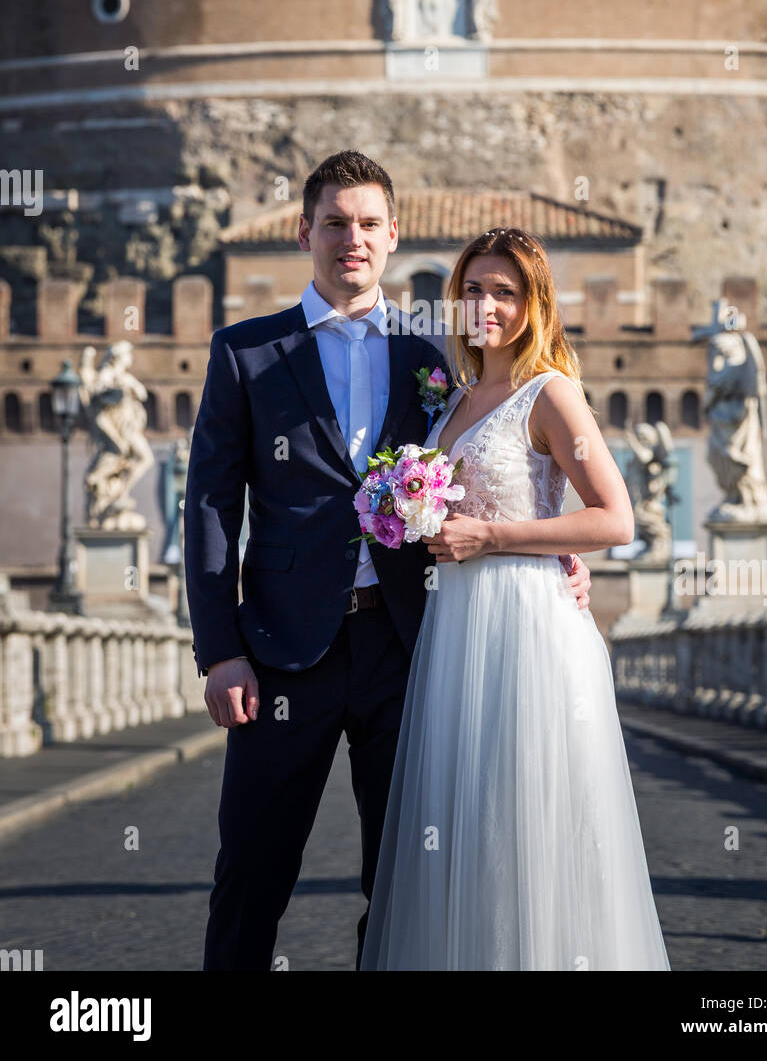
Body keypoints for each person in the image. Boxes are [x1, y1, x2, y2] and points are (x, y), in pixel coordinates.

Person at [184, 149, 592, 970]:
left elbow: (488, 470)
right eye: (335, 223)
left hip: (410, 648)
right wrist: (220, 649)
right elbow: (208, 506)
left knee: (406, 877)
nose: (352, 240)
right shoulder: (246, 351)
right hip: (280, 654)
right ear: (306, 233)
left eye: (369, 224)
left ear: (394, 236)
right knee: (253, 871)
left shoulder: (435, 359)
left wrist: (557, 549)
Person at [360, 226, 671, 971]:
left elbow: (615, 517)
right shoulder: (453, 399)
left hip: (527, 629)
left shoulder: (551, 393)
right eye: (472, 290)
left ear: (535, 304)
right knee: (465, 827)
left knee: (524, 820)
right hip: (458, 630)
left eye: (505, 291)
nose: (486, 305)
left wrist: (495, 539)